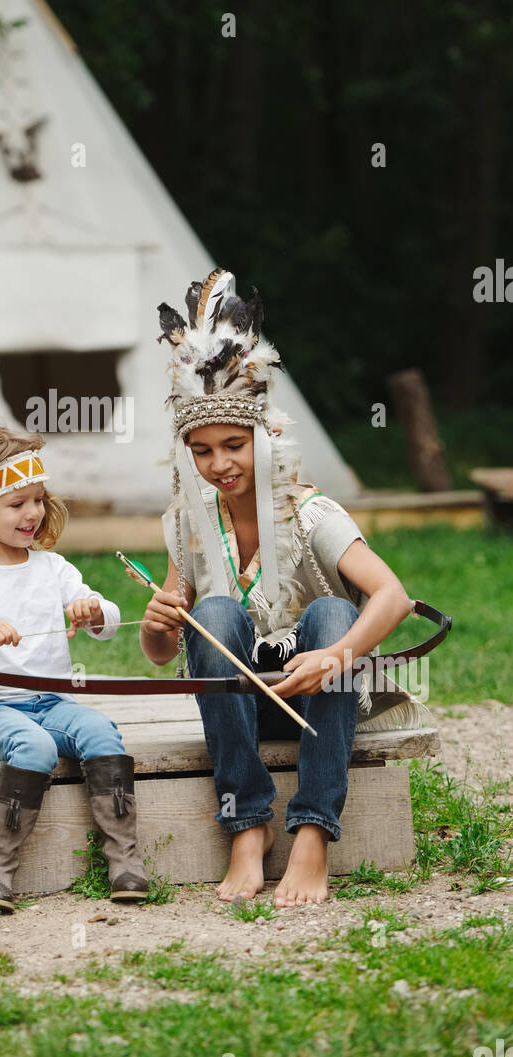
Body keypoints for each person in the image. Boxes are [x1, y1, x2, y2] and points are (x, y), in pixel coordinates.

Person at [140, 268, 416, 908]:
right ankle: (247, 827)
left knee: (326, 611)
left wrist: (337, 655)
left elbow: (394, 598)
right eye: (202, 451)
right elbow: (164, 651)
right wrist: (159, 626)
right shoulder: (191, 523)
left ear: (266, 437)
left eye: (234, 445)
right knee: (212, 607)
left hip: (327, 696)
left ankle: (315, 832)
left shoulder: (311, 511)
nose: (220, 465)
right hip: (243, 704)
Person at [0, 418, 148, 912]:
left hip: (52, 702)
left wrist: (93, 612)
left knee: (102, 731)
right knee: (34, 745)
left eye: (38, 499)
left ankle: (125, 861)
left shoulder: (52, 568)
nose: (33, 513)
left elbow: (108, 617)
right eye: (16, 504)